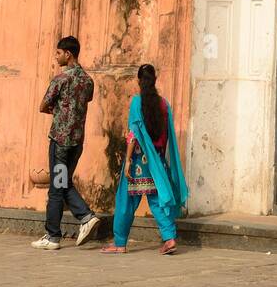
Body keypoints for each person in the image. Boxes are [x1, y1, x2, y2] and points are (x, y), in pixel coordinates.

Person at [101, 64, 188, 255]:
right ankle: (170, 238)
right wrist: (159, 161)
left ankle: (120, 243)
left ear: (139, 81)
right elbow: (166, 136)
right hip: (156, 161)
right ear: (155, 80)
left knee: (125, 200)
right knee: (157, 201)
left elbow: (133, 134)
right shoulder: (165, 104)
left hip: (138, 161)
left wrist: (129, 160)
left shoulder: (136, 103)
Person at [32, 35, 100, 250]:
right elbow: (83, 102)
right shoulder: (87, 80)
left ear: (68, 54)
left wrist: (58, 111)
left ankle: (57, 234)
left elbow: (43, 105)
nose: (56, 56)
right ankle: (78, 220)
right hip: (77, 141)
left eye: (59, 53)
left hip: (60, 142)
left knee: (56, 186)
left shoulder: (60, 79)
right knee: (63, 182)